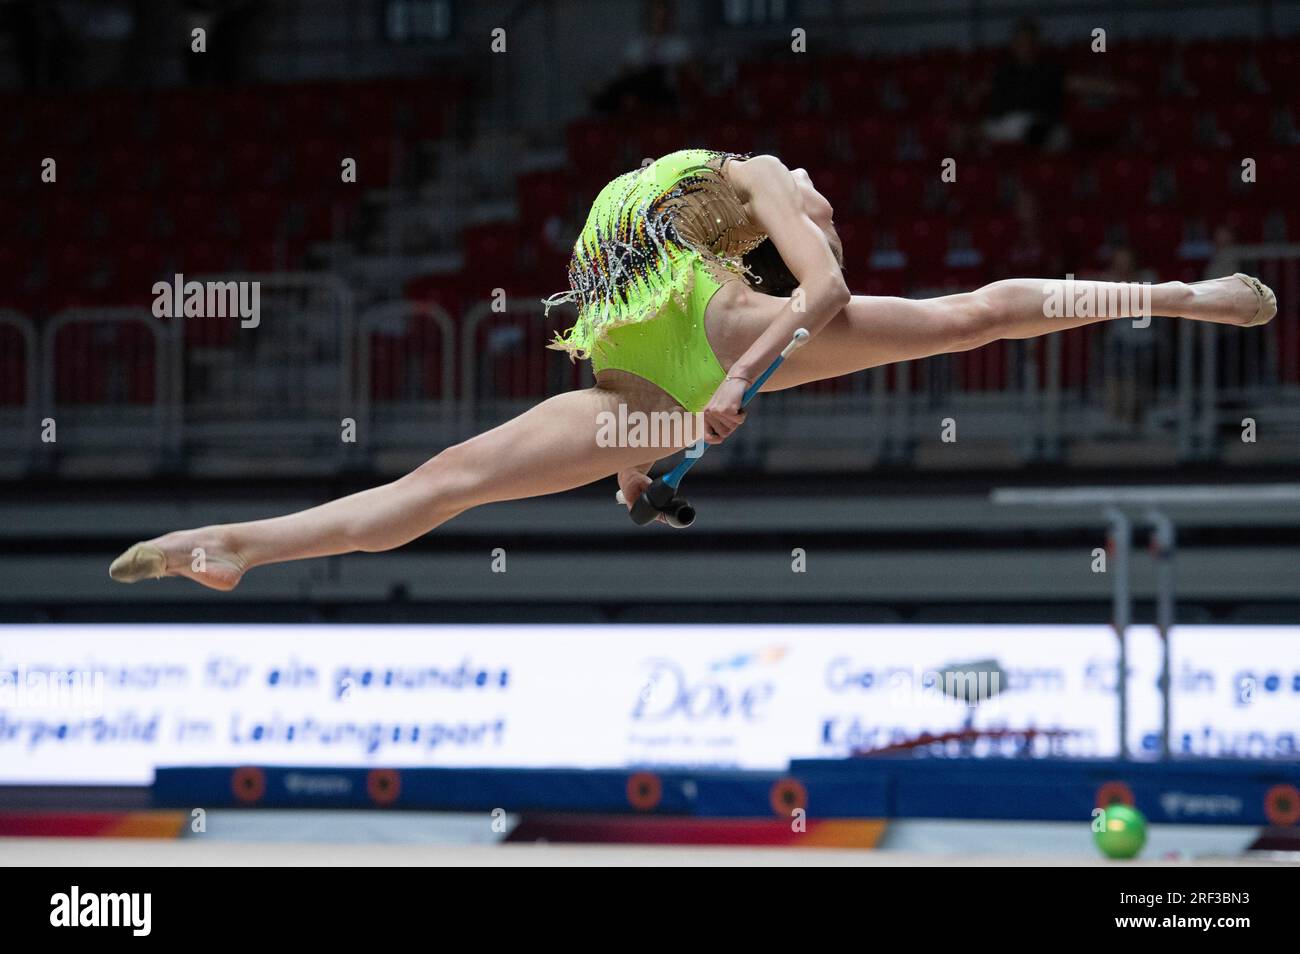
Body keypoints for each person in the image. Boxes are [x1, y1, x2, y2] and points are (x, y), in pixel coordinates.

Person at [110, 148, 1277, 590]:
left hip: (624, 359)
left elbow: (675, 404)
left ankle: (236, 544)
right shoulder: (766, 171)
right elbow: (818, 295)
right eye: (819, 202)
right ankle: (1181, 295)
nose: (818, 213)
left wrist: (646, 464)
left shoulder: (691, 204)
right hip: (688, 331)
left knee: (445, 483)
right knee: (960, 316)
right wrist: (730, 389)